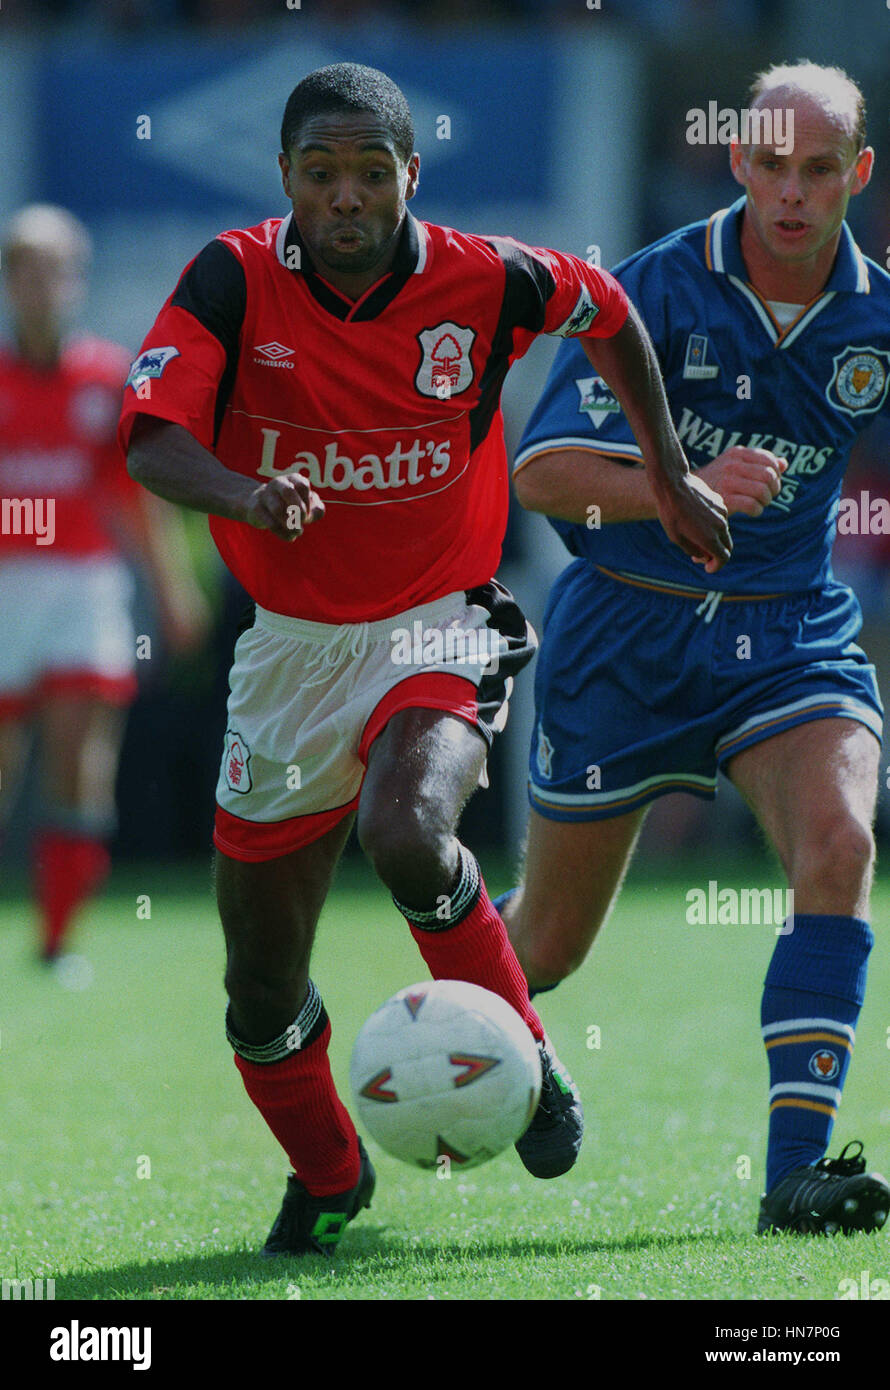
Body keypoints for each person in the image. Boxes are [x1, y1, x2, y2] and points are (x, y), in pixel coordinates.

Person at [119, 62, 730, 1256]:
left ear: (411, 174)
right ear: (285, 179)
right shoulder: (231, 279)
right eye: (318, 174)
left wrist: (660, 466)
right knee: (256, 986)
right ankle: (332, 1173)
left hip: (438, 616)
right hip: (289, 650)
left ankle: (531, 1062)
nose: (344, 196)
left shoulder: (488, 276)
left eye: (368, 172)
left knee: (407, 830)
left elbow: (605, 310)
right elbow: (150, 440)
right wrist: (247, 492)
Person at [503, 60, 890, 1235]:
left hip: (788, 634)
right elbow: (539, 472)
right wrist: (678, 479)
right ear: (736, 161)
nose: (789, 192)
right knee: (550, 951)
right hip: (624, 628)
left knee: (838, 844)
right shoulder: (653, 288)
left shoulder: (877, 318)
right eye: (768, 165)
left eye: (815, 169)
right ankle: (417, 1059)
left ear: (854, 175)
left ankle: (791, 1178)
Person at [0, 204, 207, 963]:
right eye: (26, 270)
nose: (41, 286)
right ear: (8, 282)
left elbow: (133, 496)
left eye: (56, 270)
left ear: (76, 281)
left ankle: (58, 943)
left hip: (85, 592)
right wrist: (51, 524)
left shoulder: (110, 374)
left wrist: (175, 591)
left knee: (79, 763)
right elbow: (62, 507)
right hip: (7, 591)